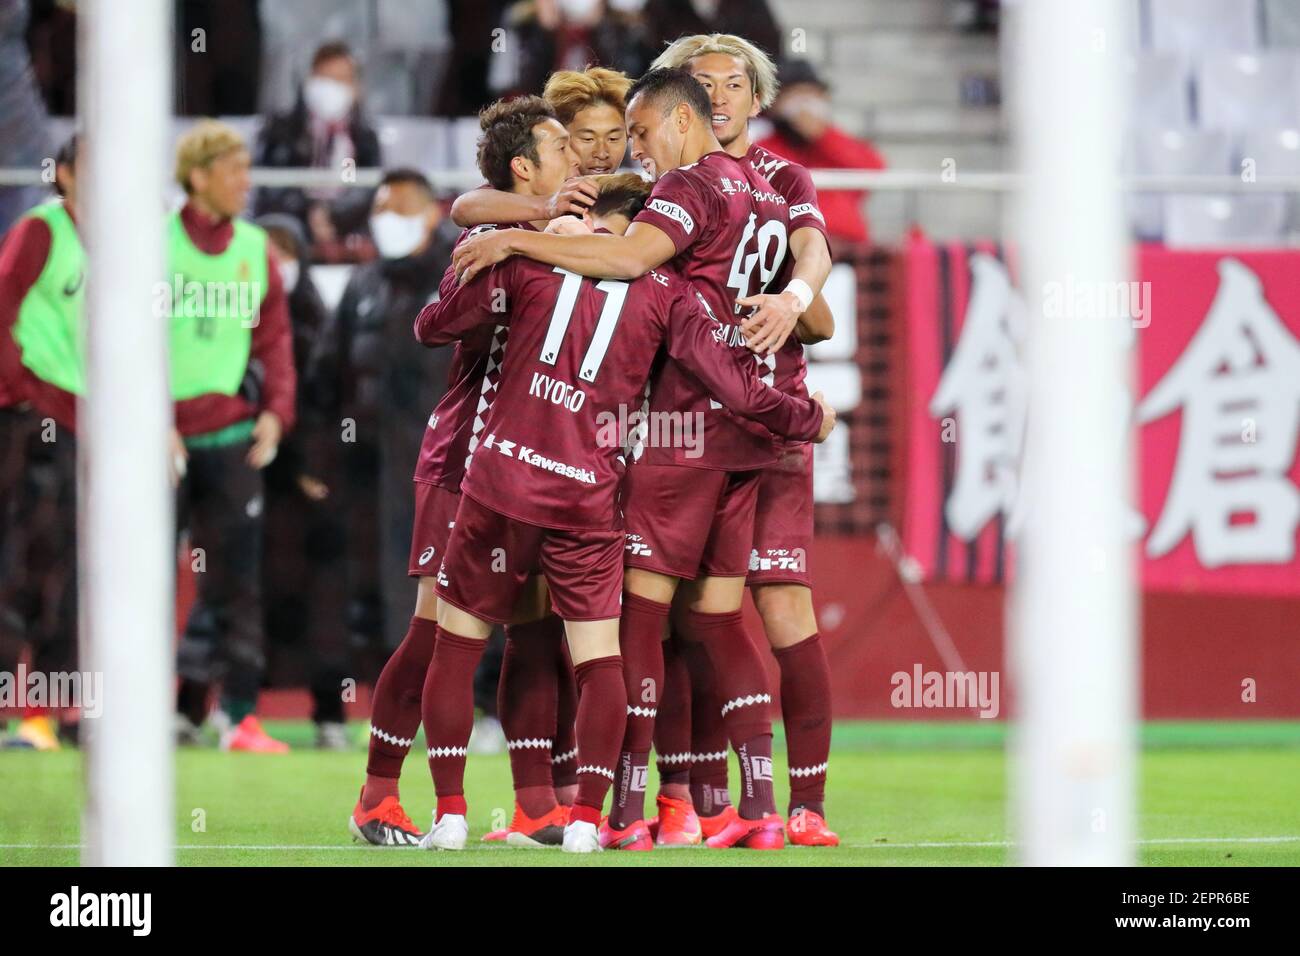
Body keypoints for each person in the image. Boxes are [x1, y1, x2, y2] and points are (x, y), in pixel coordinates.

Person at [451, 66, 833, 850]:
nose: (638, 149)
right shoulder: (765, 191)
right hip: (745, 432)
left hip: (674, 434)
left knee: (636, 628)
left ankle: (624, 812)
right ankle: (754, 811)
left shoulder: (686, 189)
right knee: (716, 624)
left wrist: (515, 241)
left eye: (641, 131)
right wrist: (802, 410)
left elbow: (630, 265)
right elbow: (806, 312)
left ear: (680, 123)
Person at [347, 96, 579, 847]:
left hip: (547, 468)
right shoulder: (496, 237)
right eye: (563, 144)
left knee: (534, 636)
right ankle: (381, 794)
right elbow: (433, 321)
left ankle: (536, 802)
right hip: (466, 462)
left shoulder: (579, 225)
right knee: (436, 634)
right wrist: (505, 252)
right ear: (526, 167)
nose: (582, 154)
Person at [645, 32, 842, 846]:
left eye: (734, 83)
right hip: (684, 423)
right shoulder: (663, 181)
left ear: (758, 100)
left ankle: (806, 804)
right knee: (687, 617)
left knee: (784, 603)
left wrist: (793, 298)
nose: (719, 95)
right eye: (702, 83)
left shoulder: (782, 179)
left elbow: (816, 272)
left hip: (766, 420)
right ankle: (702, 799)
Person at [443, 64, 631, 844]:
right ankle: (548, 804)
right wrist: (540, 218)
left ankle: (660, 802)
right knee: (542, 635)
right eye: (578, 137)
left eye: (614, 135)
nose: (597, 152)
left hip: (569, 455)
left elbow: (440, 312)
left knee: (649, 635)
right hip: (567, 460)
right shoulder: (547, 209)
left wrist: (525, 234)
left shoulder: (646, 198)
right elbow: (464, 205)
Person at [169, 120, 297, 753]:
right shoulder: (152, 244)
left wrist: (276, 410)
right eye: (233, 171)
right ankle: (134, 713)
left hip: (230, 434)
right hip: (152, 439)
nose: (246, 183)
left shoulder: (254, 248)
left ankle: (238, 715)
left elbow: (274, 337)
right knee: (139, 579)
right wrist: (151, 422)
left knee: (237, 580)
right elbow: (121, 337)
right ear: (198, 176)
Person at [310, 169, 460, 706]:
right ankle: (390, 703)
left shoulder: (460, 276)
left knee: (455, 584)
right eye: (380, 210)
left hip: (450, 463)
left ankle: (470, 705)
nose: (384, 221)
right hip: (370, 465)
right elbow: (327, 374)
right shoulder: (365, 283)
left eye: (396, 209)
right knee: (373, 584)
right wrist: (319, 455)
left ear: (428, 212)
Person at [255, 212, 350, 750]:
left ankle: (329, 714)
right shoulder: (240, 321)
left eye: (285, 251)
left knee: (323, 599)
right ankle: (213, 708)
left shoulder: (319, 320)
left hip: (310, 484)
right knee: (238, 592)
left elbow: (330, 404)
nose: (276, 264)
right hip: (248, 468)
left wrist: (312, 467)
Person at [0, 133, 81, 750]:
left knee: (70, 570)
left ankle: (50, 713)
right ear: (70, 174)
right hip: (30, 421)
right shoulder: (41, 230)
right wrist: (21, 391)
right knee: (20, 562)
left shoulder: (124, 245)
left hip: (85, 425)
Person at [253, 42, 382, 261]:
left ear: (355, 87)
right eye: (326, 79)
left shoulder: (363, 137)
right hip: (290, 236)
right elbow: (269, 186)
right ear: (311, 80)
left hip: (346, 238)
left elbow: (368, 189)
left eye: (341, 80)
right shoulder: (281, 130)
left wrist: (332, 215)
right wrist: (309, 213)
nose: (332, 88)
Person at [757, 58, 886, 245]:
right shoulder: (763, 147)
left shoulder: (833, 141)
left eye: (812, 95)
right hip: (789, 247)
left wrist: (823, 135)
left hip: (844, 245)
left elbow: (873, 169)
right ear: (776, 102)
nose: (805, 105)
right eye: (796, 95)